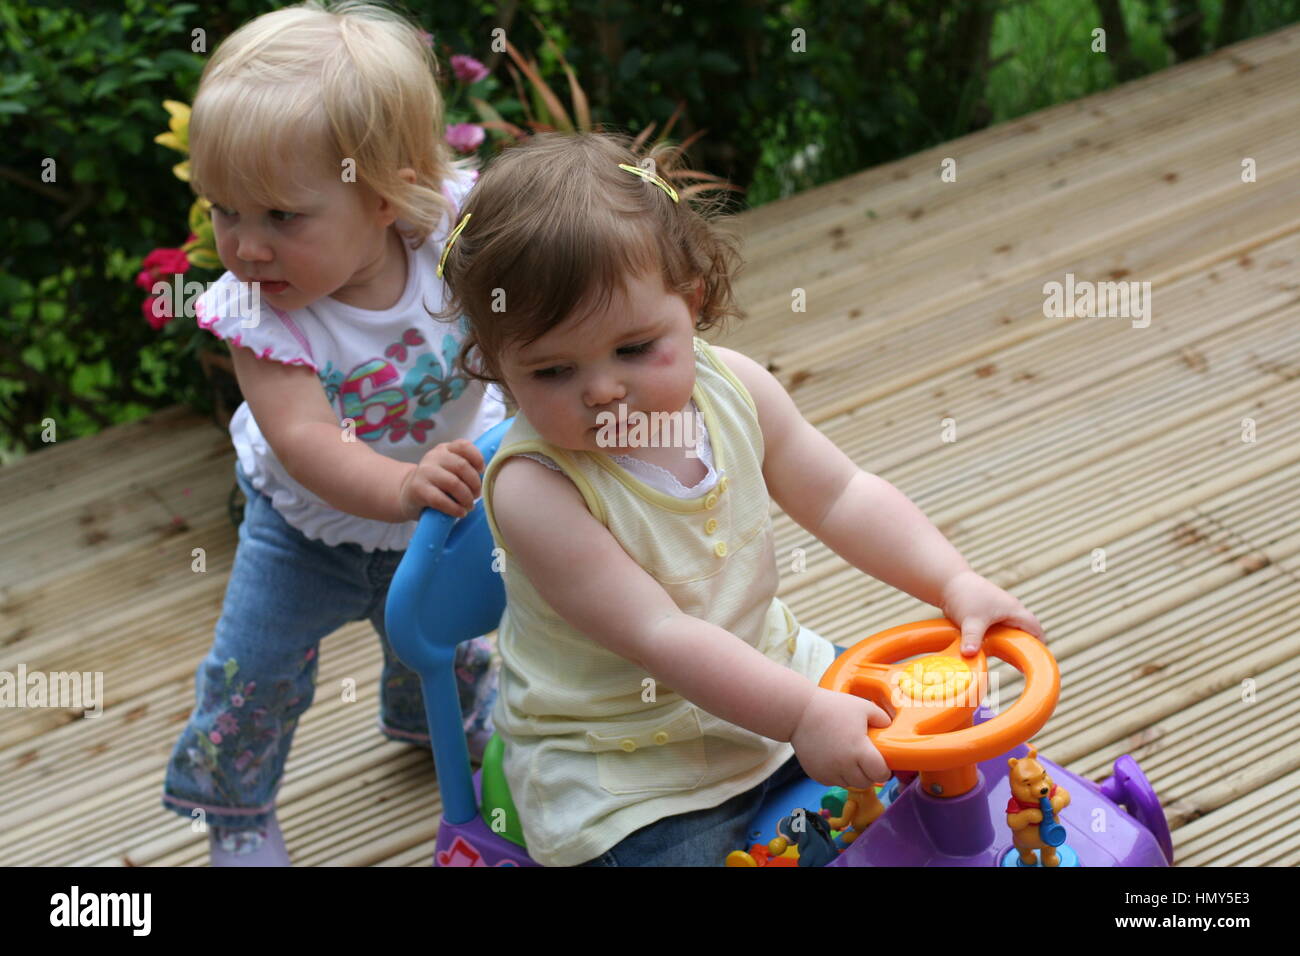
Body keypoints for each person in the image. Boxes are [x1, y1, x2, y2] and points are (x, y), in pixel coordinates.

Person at [437, 130, 1046, 867]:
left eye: (634, 349)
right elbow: (662, 636)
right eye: (552, 371)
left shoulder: (735, 389)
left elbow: (843, 495)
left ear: (689, 302)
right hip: (625, 760)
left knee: (944, 738)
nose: (601, 389)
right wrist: (803, 714)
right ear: (496, 362)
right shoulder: (540, 489)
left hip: (775, 669)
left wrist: (952, 580)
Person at [160, 0, 506, 866]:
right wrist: (400, 486)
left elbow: (529, 296)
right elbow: (305, 441)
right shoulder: (260, 317)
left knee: (446, 641)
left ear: (387, 196)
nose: (245, 247)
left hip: (440, 508)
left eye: (280, 217)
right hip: (303, 533)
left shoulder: (451, 237)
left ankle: (437, 724)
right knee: (254, 674)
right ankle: (236, 809)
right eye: (224, 212)